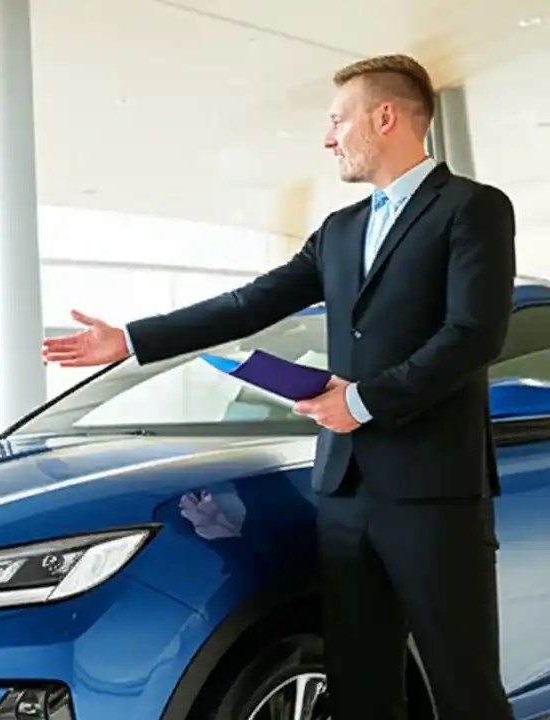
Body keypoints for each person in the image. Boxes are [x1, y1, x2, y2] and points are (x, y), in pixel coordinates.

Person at [43, 54, 516, 720]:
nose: (328, 138)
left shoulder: (472, 209)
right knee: (361, 692)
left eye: (338, 120)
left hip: (435, 497)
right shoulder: (341, 229)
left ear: (385, 117)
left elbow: (473, 335)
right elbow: (249, 304)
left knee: (466, 692)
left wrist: (360, 401)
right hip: (344, 494)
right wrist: (131, 339)